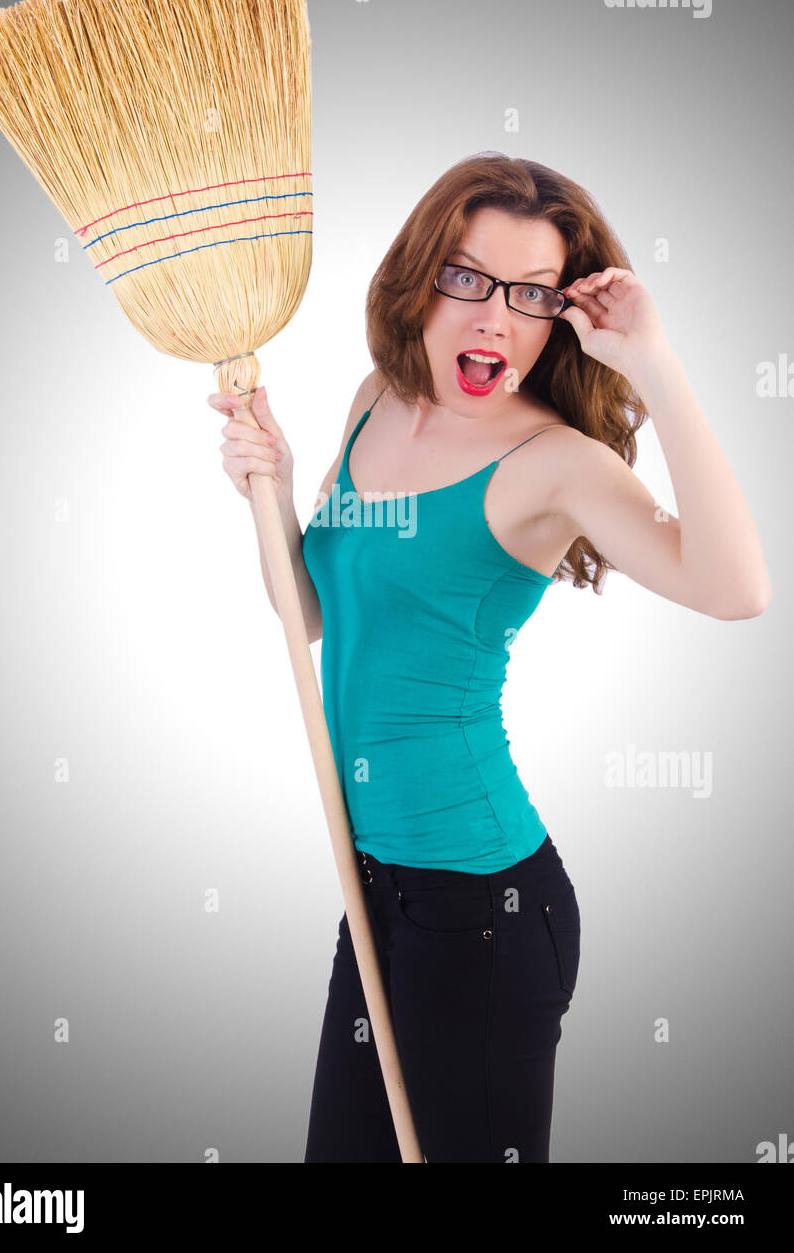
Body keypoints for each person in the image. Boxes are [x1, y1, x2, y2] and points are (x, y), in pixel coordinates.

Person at [207, 152, 771, 1163]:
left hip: (483, 912)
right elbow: (316, 621)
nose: (492, 320)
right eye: (466, 277)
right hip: (376, 885)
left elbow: (738, 591)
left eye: (530, 294)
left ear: (558, 312)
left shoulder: (553, 462)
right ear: (419, 274)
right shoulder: (378, 398)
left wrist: (657, 365)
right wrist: (277, 487)